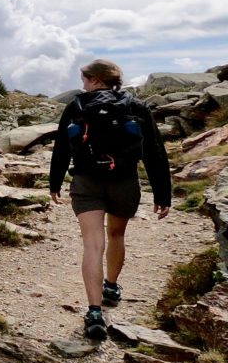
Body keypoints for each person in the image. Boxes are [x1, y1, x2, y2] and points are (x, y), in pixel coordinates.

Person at [49, 59, 172, 340]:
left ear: (95, 79)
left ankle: (94, 311)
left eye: (84, 78)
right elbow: (154, 151)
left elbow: (61, 147)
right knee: (116, 235)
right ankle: (111, 286)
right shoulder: (135, 106)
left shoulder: (77, 106)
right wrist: (162, 192)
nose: (82, 83)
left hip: (86, 181)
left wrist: (55, 181)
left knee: (92, 244)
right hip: (124, 181)